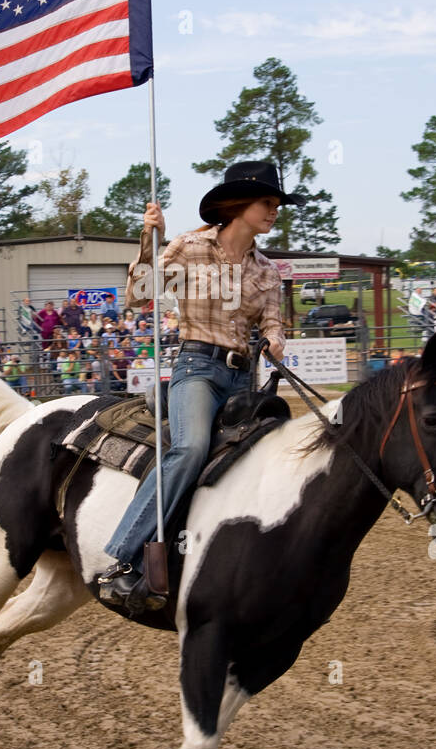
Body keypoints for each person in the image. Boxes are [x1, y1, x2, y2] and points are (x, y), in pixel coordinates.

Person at [97, 159, 300, 615]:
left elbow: (273, 319)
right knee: (189, 449)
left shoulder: (267, 270)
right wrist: (149, 239)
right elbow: (140, 294)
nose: (274, 211)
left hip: (243, 376)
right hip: (198, 369)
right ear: (239, 205)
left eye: (275, 204)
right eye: (267, 203)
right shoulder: (189, 246)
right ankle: (123, 558)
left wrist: (275, 338)